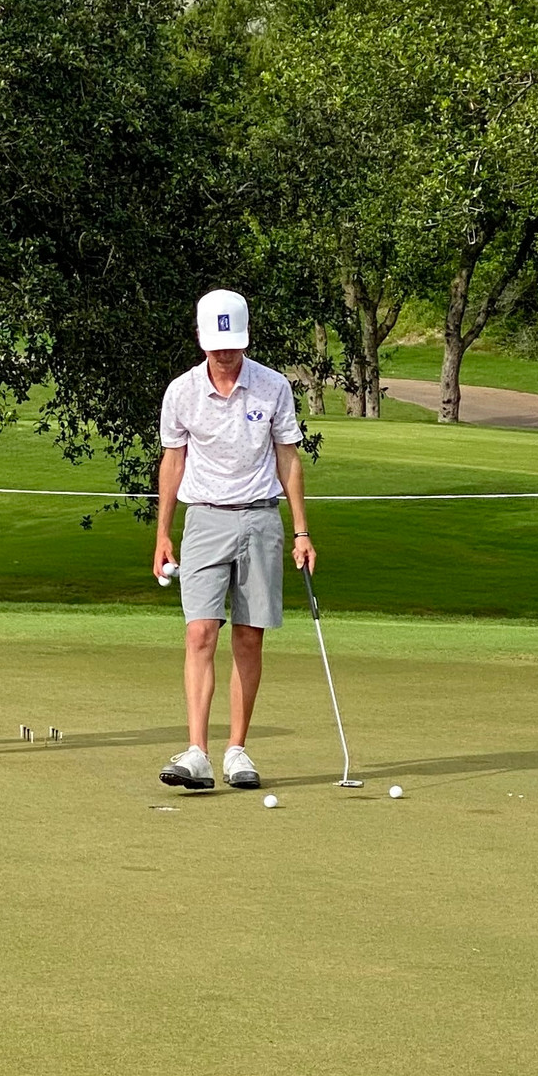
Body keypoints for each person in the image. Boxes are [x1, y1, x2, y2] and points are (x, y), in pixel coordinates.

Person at [152, 289, 315, 791]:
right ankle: (197, 752)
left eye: (234, 345)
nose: (226, 354)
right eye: (217, 344)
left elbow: (288, 457)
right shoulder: (180, 391)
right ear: (201, 338)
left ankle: (237, 751)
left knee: (249, 634)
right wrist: (162, 532)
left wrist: (301, 530)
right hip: (204, 520)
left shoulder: (272, 387)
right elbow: (173, 462)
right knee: (200, 631)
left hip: (261, 519)